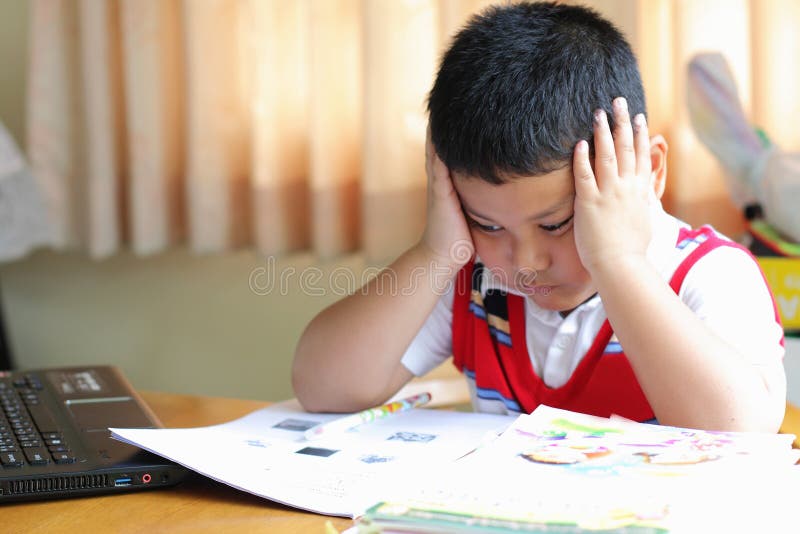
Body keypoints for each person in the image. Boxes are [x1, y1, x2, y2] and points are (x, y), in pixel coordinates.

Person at [292, 1, 786, 432]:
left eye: (555, 224)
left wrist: (618, 261)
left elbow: (737, 432)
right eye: (487, 224)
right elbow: (322, 387)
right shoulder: (477, 280)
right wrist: (438, 251)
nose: (525, 260)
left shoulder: (711, 274)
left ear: (646, 171)